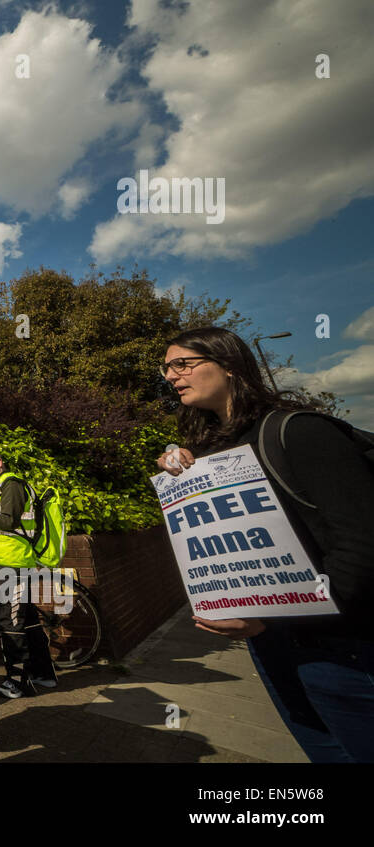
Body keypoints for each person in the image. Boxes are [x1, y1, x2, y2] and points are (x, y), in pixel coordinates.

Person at [155, 326, 374, 762]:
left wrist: (271, 618)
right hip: (272, 642)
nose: (171, 375)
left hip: (346, 646)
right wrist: (184, 479)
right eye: (167, 368)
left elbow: (362, 548)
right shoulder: (212, 450)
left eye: (183, 364)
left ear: (231, 366)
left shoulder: (303, 432)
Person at [0, 448, 56, 699]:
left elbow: (9, 521)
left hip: (14, 564)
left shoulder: (11, 484)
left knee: (10, 622)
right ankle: (43, 674)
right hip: (5, 562)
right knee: (27, 619)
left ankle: (16, 681)